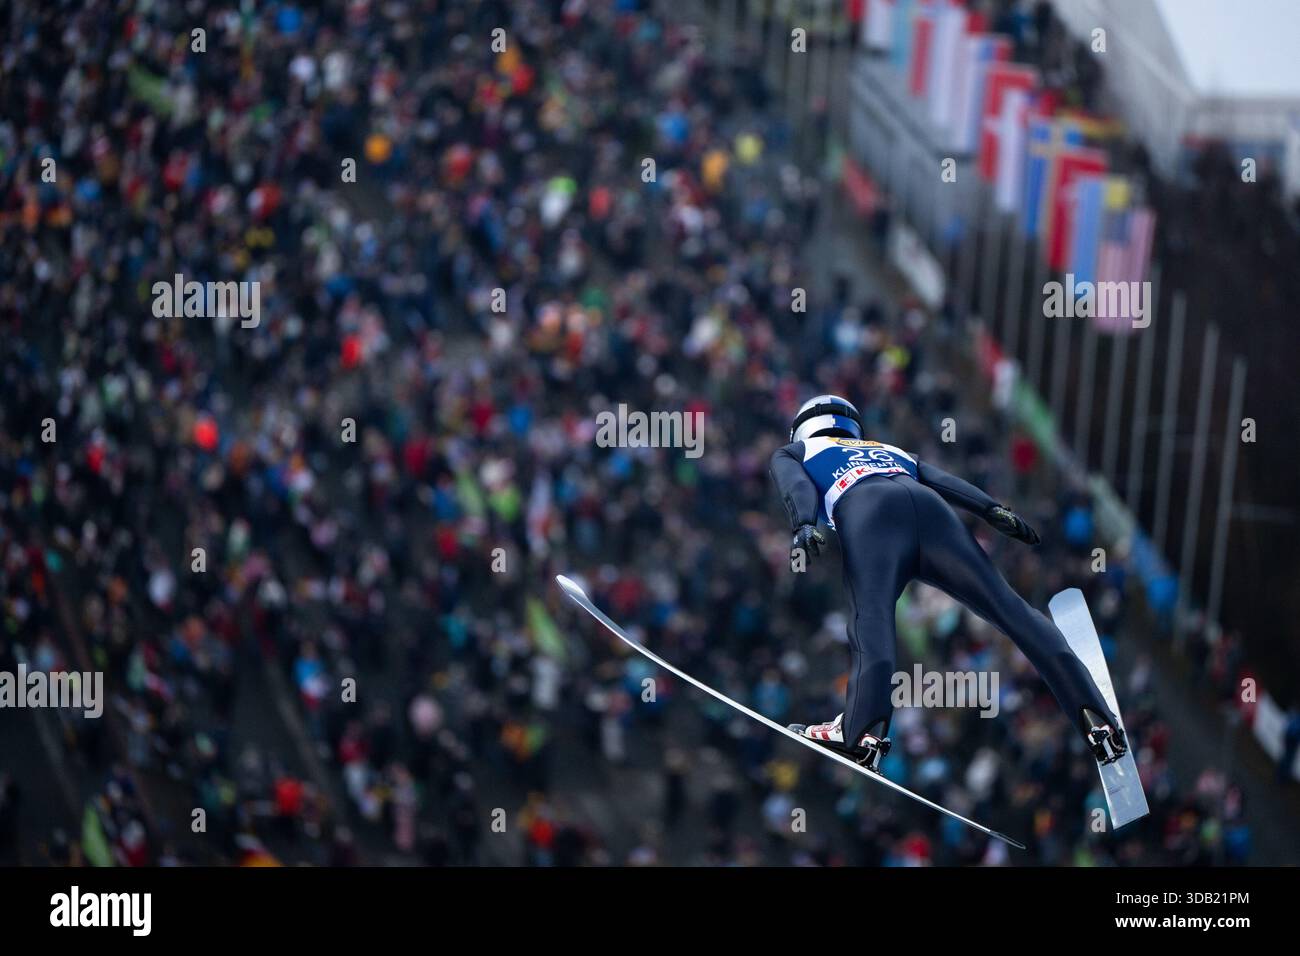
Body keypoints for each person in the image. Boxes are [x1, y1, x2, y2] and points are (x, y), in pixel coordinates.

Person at [768, 395, 1126, 772]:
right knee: (1012, 610)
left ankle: (862, 732)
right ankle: (1098, 719)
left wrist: (804, 523)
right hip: (932, 513)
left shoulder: (796, 449)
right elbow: (942, 480)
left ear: (803, 425)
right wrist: (993, 509)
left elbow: (796, 485)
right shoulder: (885, 447)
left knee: (870, 622)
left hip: (868, 512)